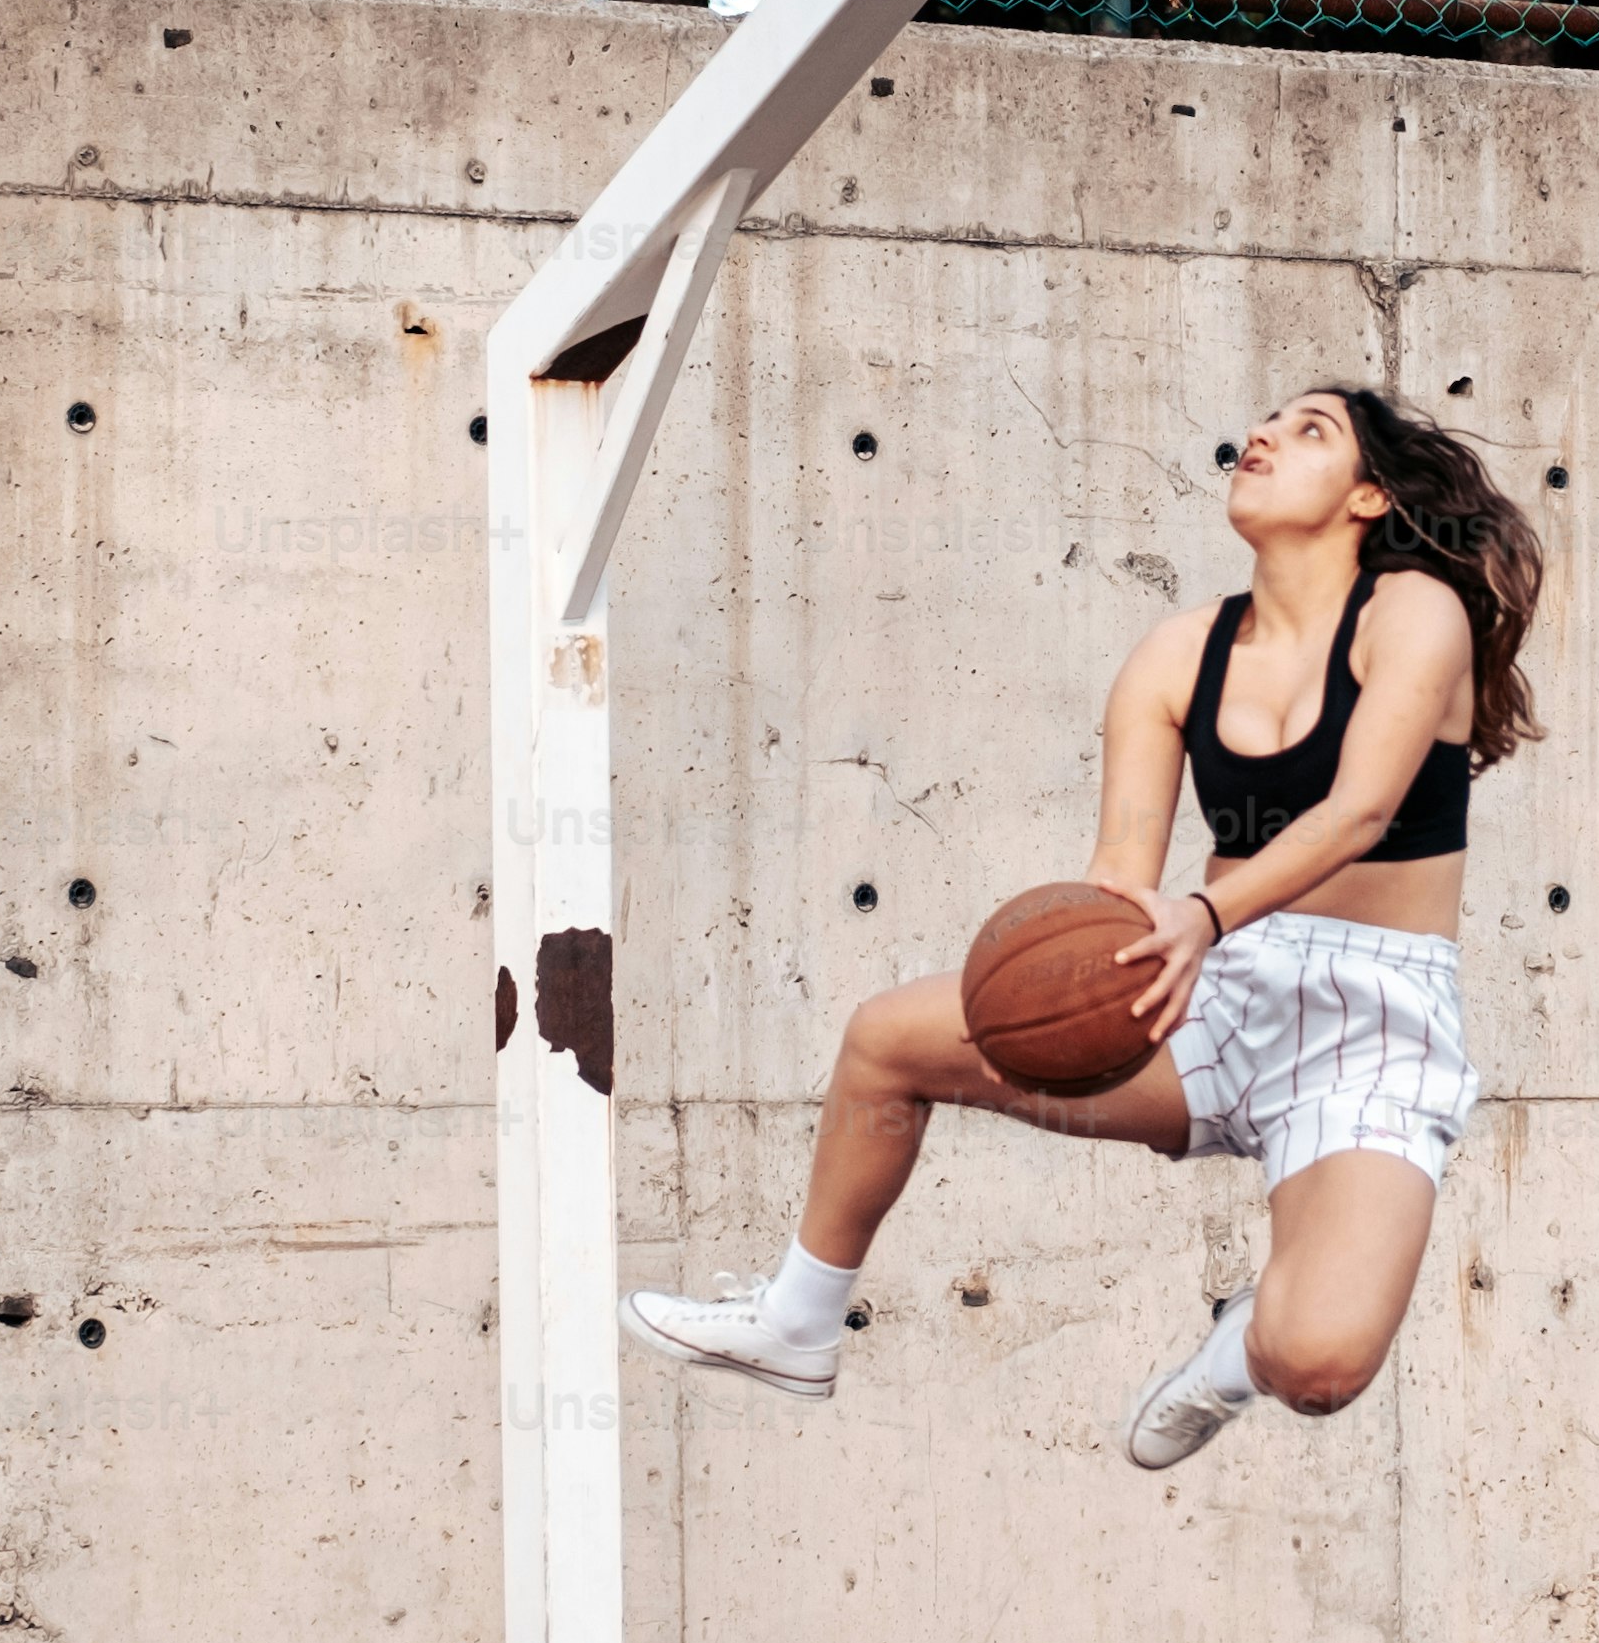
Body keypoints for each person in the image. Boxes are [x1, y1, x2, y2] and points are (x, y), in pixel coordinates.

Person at [620, 384, 1546, 1470]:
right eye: (1265, 420)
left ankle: (1240, 1348)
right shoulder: (1177, 655)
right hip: (1212, 984)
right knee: (887, 1038)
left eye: (1311, 430)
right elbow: (1119, 879)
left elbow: (1359, 812)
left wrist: (1204, 914)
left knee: (1319, 1366)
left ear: (1368, 496)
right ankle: (797, 1320)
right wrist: (1073, 990)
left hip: (1371, 1021)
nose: (1262, 434)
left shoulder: (1412, 612)